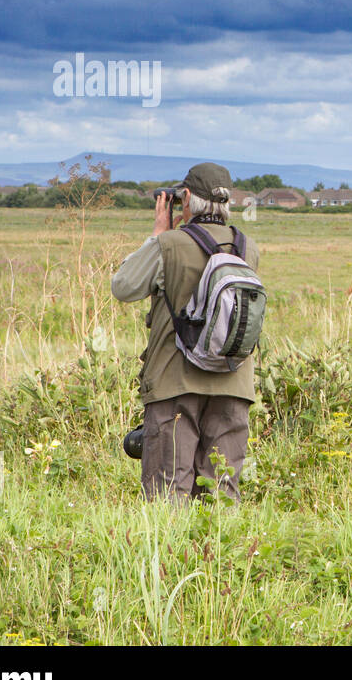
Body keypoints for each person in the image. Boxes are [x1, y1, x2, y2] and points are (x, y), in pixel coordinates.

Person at [111, 163, 260, 502]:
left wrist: (158, 234)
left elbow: (123, 286)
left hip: (174, 382)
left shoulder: (170, 244)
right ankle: (219, 539)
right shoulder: (247, 247)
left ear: (187, 198)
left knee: (168, 492)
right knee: (220, 494)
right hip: (234, 383)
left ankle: (171, 541)